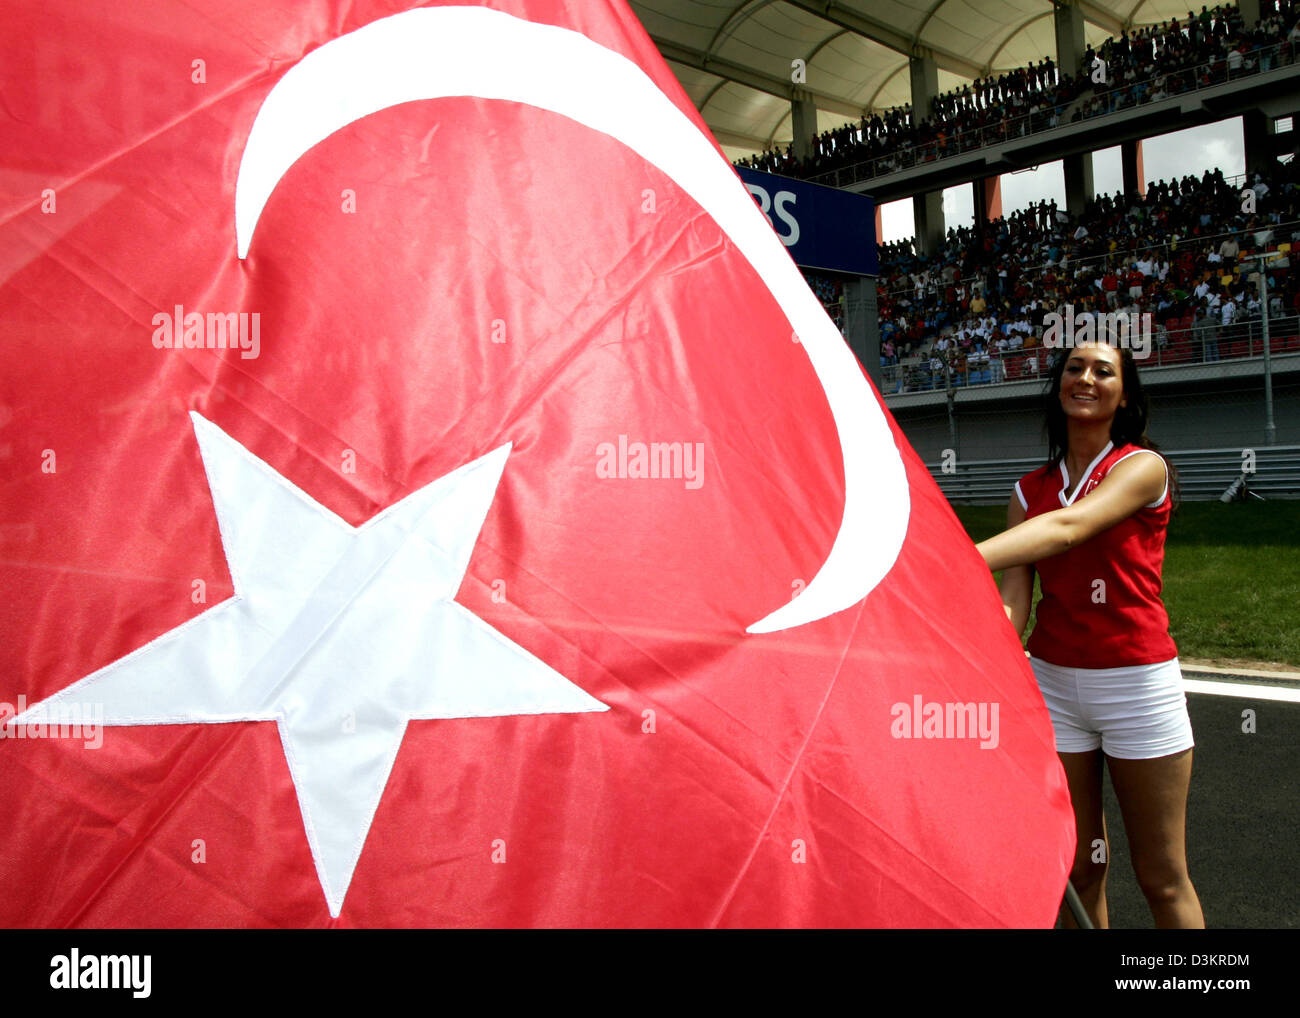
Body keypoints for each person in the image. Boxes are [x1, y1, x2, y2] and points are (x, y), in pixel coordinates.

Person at [974, 340, 1203, 929]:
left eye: (1104, 372)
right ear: (1059, 386)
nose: (1086, 378)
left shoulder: (1141, 467)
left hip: (1136, 684)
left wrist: (955, 560)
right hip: (1055, 687)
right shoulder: (1028, 491)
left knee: (1162, 875)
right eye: (1074, 368)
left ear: (1124, 396)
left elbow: (1071, 529)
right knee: (1078, 869)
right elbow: (1014, 603)